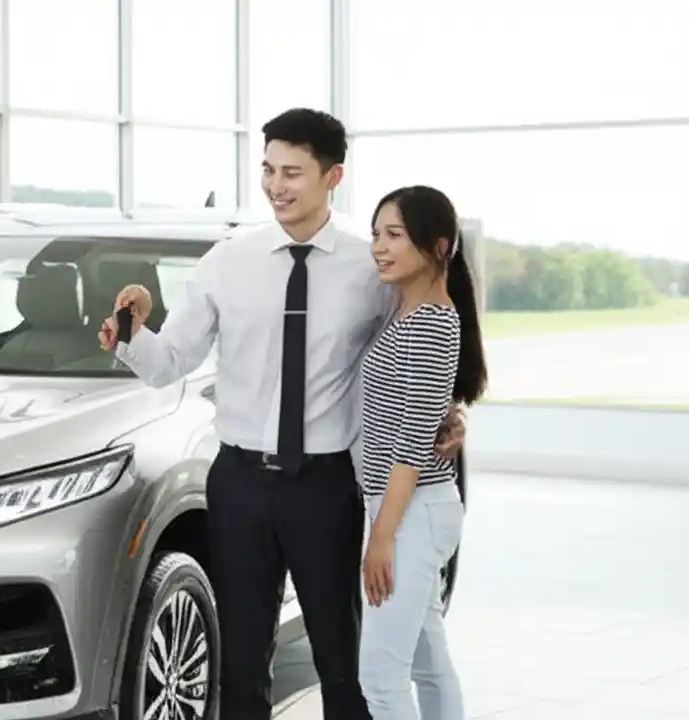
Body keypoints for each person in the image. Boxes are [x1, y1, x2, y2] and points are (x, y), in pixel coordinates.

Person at [97, 108, 465, 719]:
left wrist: (447, 412)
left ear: (333, 176)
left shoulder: (366, 266)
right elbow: (169, 363)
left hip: (326, 485)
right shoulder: (226, 261)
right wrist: (133, 332)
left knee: (341, 657)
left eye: (292, 172)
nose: (276, 185)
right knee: (242, 661)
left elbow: (416, 348)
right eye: (268, 169)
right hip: (239, 481)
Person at [357, 185, 486, 719]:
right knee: (429, 664)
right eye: (376, 234)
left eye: (394, 235)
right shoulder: (408, 312)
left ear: (437, 247)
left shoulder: (432, 322)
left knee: (381, 677)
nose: (379, 247)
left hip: (410, 511)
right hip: (410, 508)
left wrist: (382, 537)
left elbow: (411, 446)